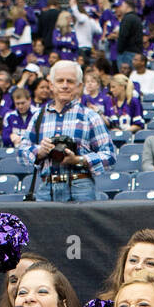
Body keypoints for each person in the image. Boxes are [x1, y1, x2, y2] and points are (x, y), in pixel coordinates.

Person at [15, 60, 114, 203]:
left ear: (79, 86)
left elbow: (110, 156)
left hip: (81, 187)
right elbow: (21, 153)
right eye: (60, 81)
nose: (65, 85)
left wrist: (79, 160)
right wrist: (40, 151)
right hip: (46, 188)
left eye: (70, 81)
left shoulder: (90, 117)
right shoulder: (38, 117)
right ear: (51, 85)